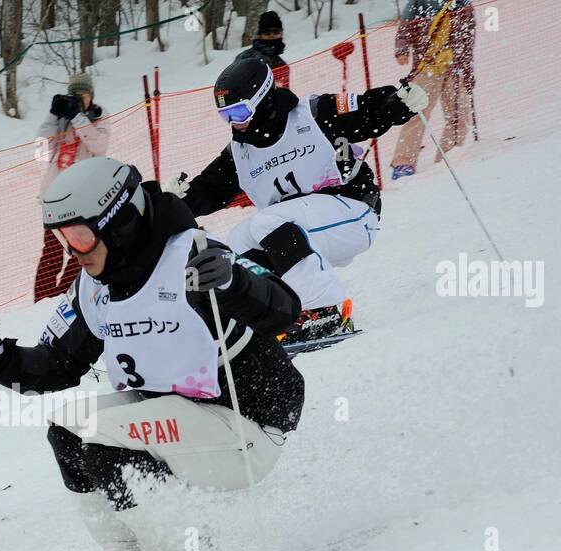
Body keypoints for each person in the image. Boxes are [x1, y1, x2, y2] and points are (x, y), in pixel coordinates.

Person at [0, 157, 308, 551]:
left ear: (118, 222)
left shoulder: (191, 256)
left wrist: (234, 281)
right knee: (67, 429)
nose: (74, 251)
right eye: (63, 239)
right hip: (176, 417)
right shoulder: (95, 288)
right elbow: (56, 365)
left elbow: (284, 310)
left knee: (105, 436)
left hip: (245, 422)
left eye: (80, 235)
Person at [165, 56, 426, 341]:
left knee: (268, 220)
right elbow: (210, 189)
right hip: (301, 233)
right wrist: (180, 199)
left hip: (354, 213)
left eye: (240, 112)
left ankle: (324, 310)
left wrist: (397, 102)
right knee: (239, 239)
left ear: (263, 98)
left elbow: (366, 110)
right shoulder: (240, 152)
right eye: (225, 116)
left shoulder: (313, 115)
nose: (235, 123)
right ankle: (271, 315)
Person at [33, 72, 109, 302]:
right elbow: (41, 153)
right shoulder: (60, 120)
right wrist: (52, 115)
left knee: (81, 247)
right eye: (74, 96)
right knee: (52, 252)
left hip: (82, 197)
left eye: (82, 96)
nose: (78, 100)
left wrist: (79, 117)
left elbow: (99, 145)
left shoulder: (99, 117)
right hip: (54, 196)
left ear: (91, 97)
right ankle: (42, 300)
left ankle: (66, 295)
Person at [390, 0, 477, 180]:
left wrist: (468, 73)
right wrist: (402, 50)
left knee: (459, 115)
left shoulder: (463, 4)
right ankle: (403, 162)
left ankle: (449, 156)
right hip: (427, 67)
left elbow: (468, 40)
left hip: (456, 68)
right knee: (416, 113)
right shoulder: (418, 2)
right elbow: (404, 30)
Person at [239, 9, 290, 88]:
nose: (272, 35)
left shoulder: (282, 65)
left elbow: (286, 93)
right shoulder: (247, 57)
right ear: (260, 35)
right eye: (267, 32)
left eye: (276, 32)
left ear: (281, 33)